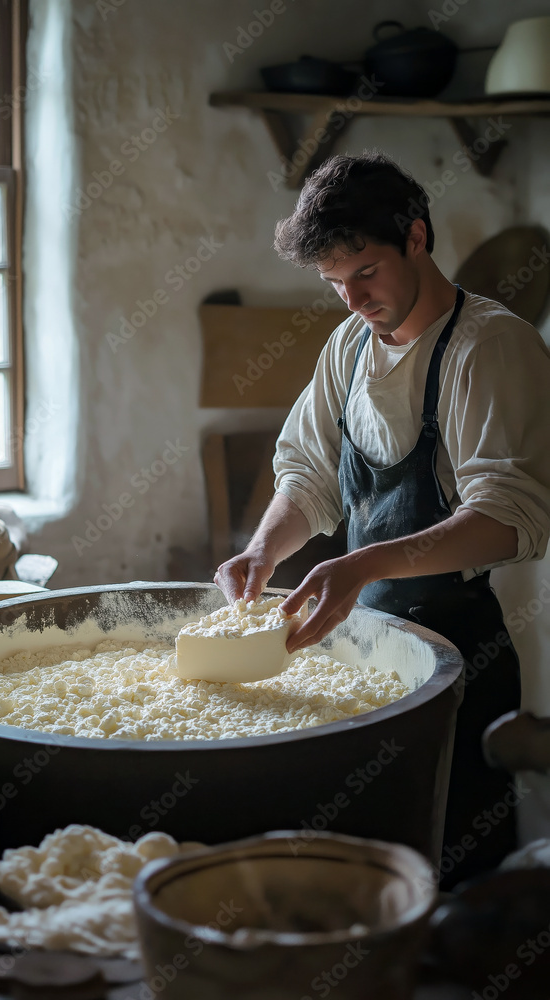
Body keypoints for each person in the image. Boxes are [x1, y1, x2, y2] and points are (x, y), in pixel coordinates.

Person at [215, 151, 550, 888]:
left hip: (463, 658)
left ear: (416, 237)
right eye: (334, 282)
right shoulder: (349, 347)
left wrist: (364, 563)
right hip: (371, 650)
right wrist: (264, 549)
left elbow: (509, 519)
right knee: (371, 866)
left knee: (455, 871)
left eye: (365, 272)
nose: (353, 299)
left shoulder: (489, 348)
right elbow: (308, 473)